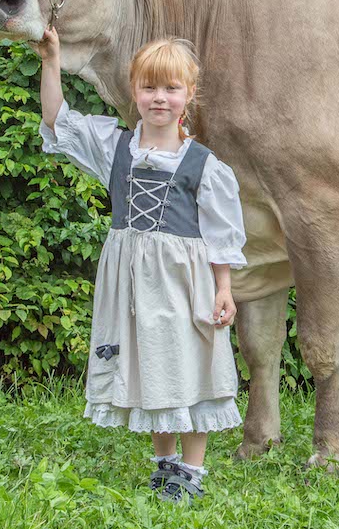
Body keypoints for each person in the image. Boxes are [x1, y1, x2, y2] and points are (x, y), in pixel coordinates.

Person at [36, 31, 246, 503]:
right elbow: (57, 119)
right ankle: (164, 463)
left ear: (189, 96)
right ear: (134, 91)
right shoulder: (116, 148)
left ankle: (191, 472)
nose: (160, 98)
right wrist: (51, 60)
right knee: (152, 362)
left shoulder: (203, 165)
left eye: (171, 88)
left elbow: (221, 234)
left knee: (190, 364)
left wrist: (223, 289)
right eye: (150, 87)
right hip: (130, 283)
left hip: (182, 281)